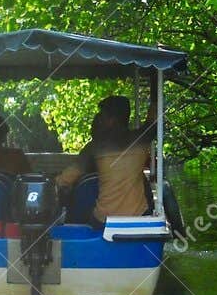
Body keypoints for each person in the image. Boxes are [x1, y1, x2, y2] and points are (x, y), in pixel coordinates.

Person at [57, 95, 154, 224]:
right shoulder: (141, 139)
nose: (100, 120)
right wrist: (155, 97)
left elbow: (66, 178)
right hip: (138, 217)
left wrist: (55, 183)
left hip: (103, 220)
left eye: (102, 116)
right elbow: (153, 122)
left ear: (111, 120)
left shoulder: (95, 147)